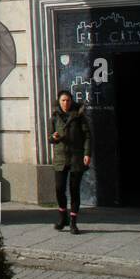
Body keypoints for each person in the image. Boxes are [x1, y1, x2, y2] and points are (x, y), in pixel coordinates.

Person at [50, 90, 90, 234]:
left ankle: (73, 222)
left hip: (76, 157)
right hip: (61, 158)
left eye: (68, 100)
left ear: (71, 101)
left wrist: (87, 153)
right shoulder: (55, 117)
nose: (65, 103)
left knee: (74, 190)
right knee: (59, 188)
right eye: (63, 101)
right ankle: (63, 217)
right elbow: (50, 139)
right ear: (59, 102)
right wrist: (53, 137)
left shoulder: (79, 115)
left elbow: (87, 136)